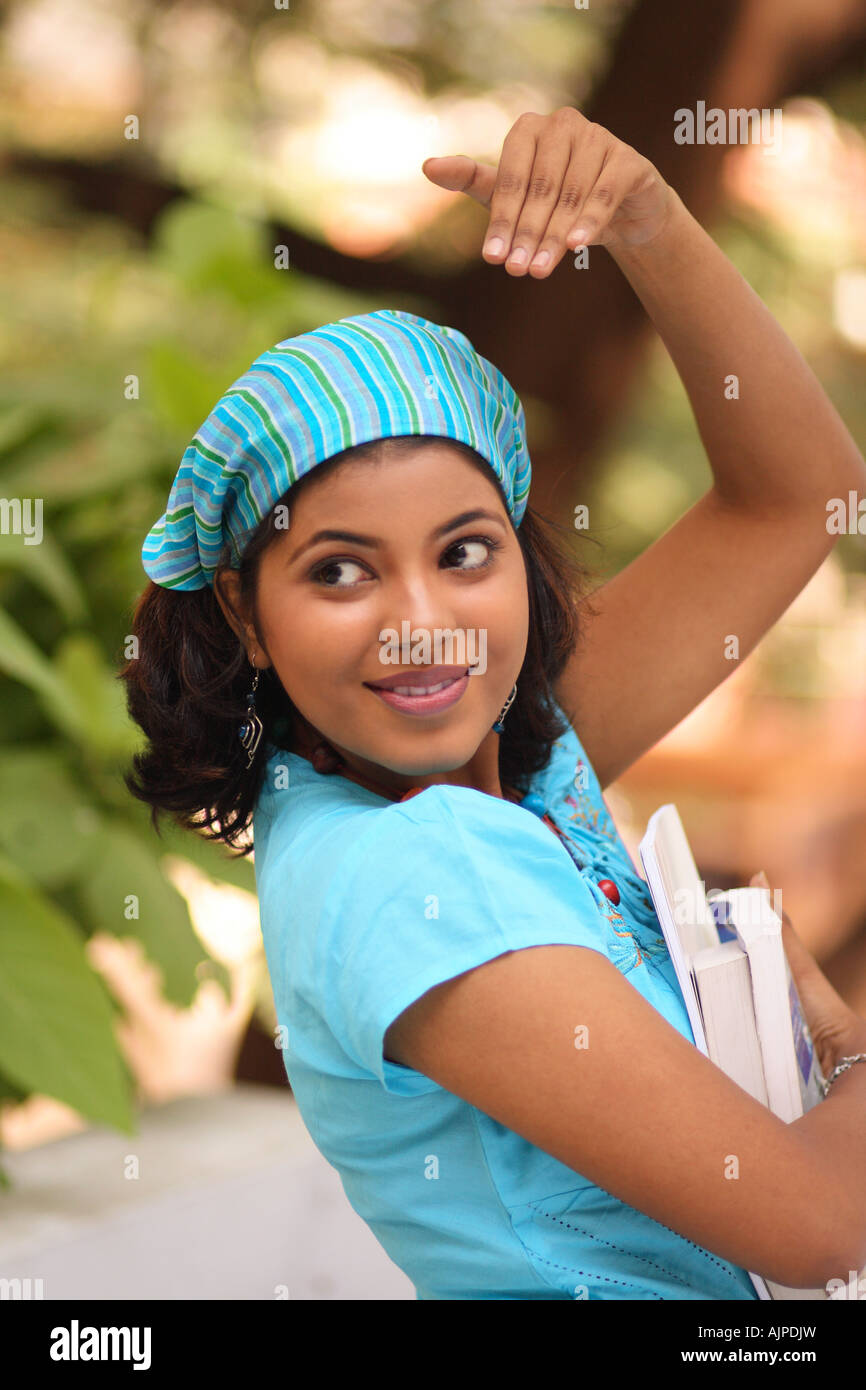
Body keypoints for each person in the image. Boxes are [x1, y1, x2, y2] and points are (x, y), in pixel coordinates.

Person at [121, 108, 866, 1301]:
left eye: (464, 552)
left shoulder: (489, 751)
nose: (421, 618)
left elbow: (798, 498)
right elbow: (821, 1223)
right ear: (246, 612)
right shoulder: (418, 870)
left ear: (519, 559)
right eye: (339, 570)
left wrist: (643, 219)